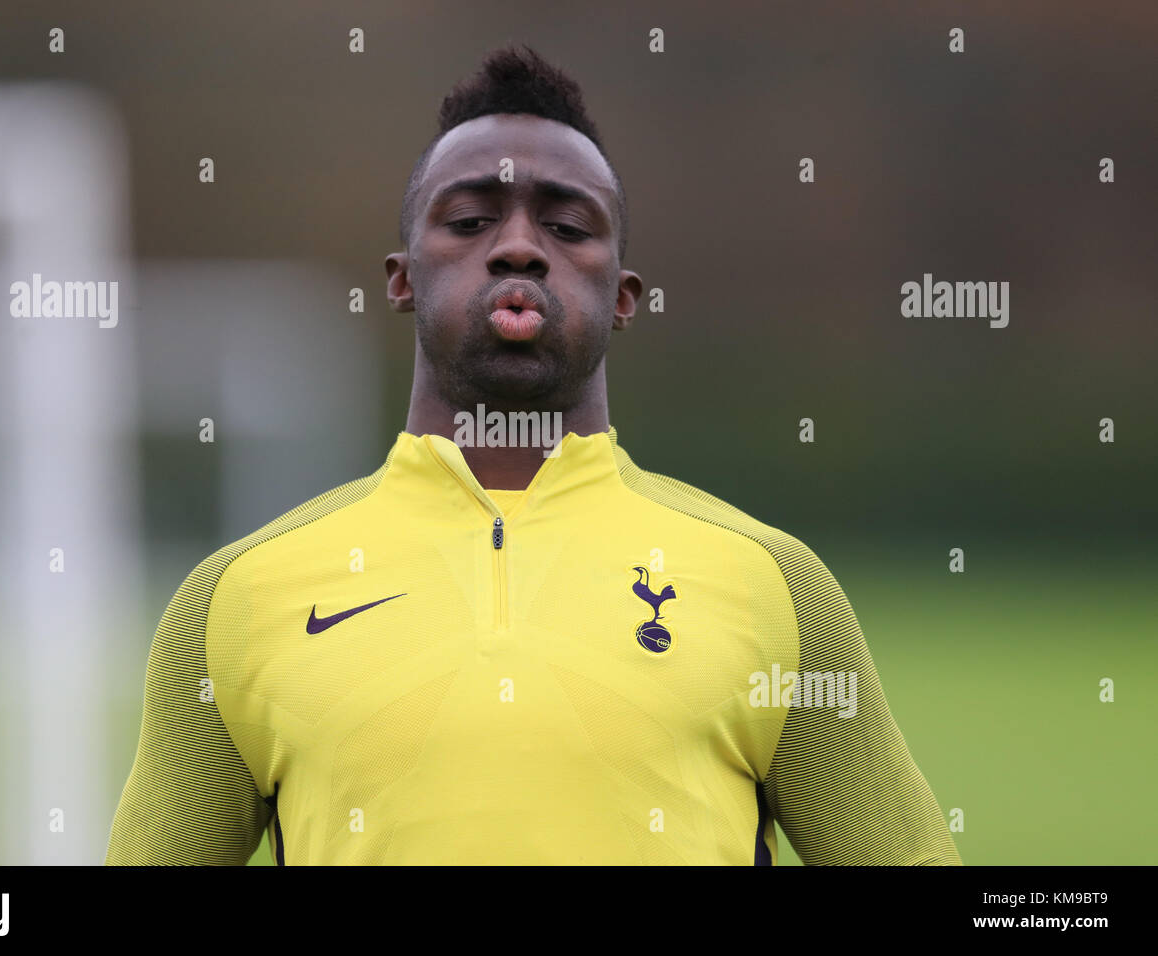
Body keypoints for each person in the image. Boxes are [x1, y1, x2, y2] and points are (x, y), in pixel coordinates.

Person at [106, 43, 960, 865]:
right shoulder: (232, 603)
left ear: (623, 296)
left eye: (566, 225)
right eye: (471, 220)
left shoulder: (776, 587)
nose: (518, 247)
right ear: (402, 279)